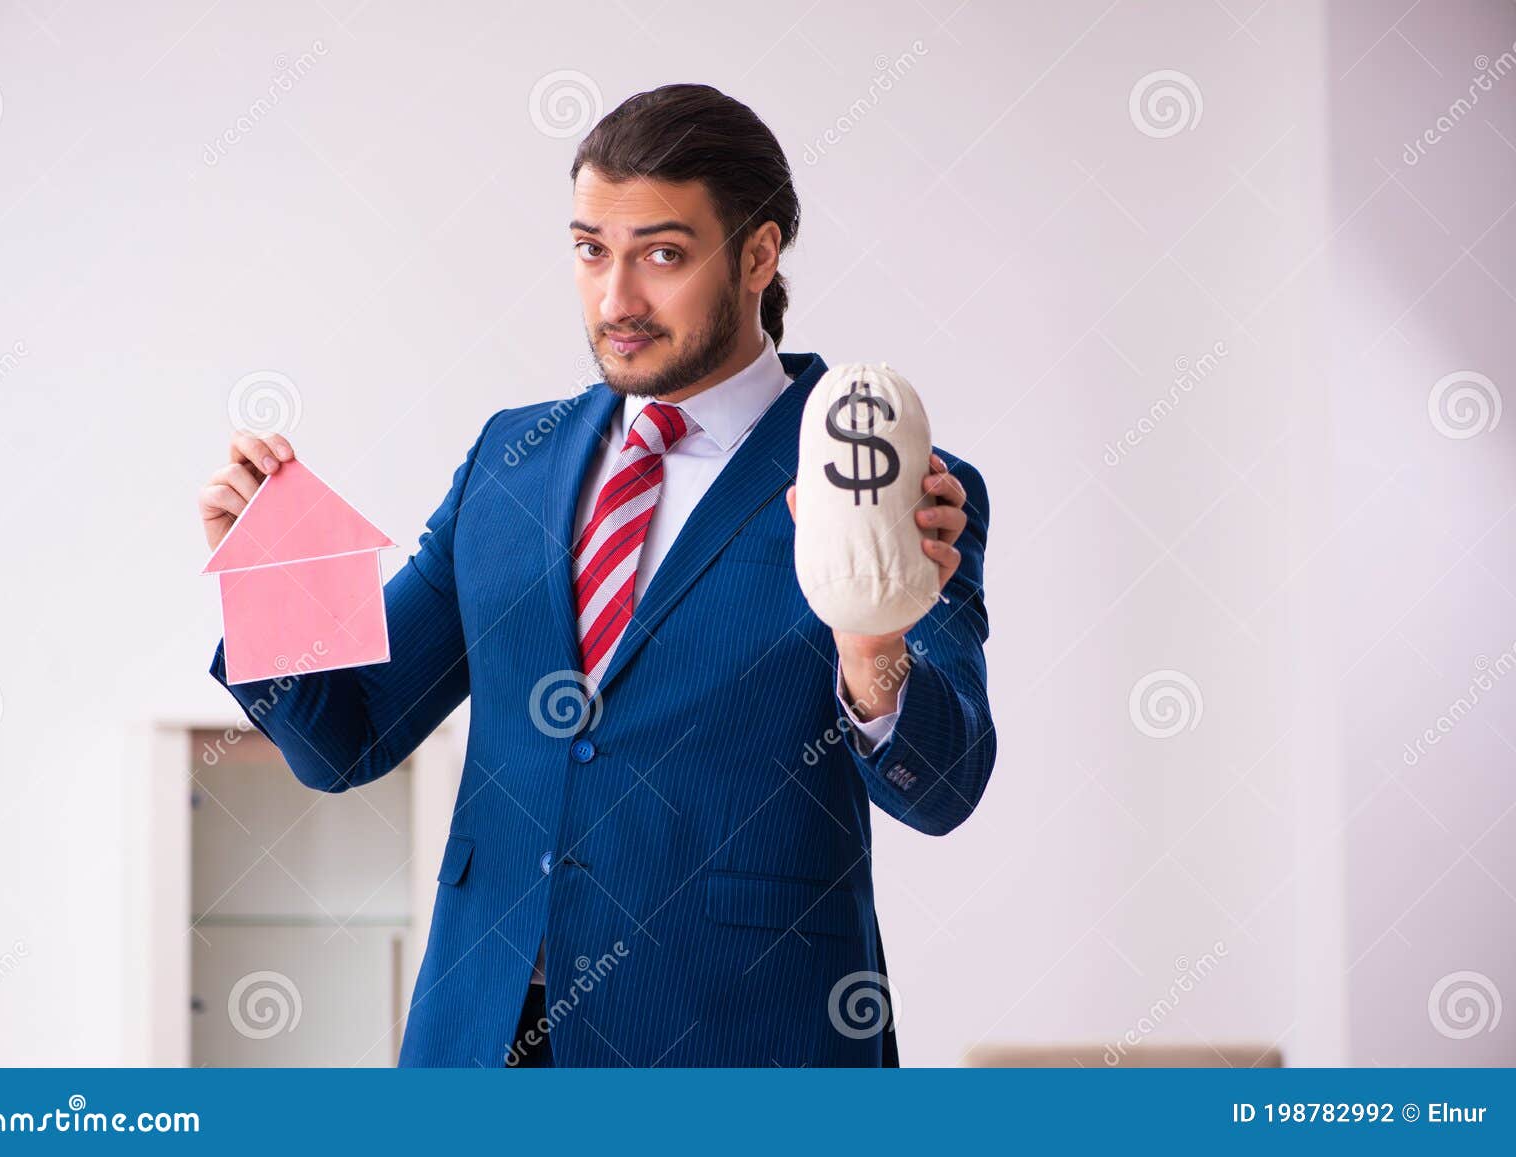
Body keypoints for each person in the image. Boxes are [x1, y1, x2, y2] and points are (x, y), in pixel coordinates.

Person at [198, 83, 996, 1067]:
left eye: (661, 254)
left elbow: (942, 788)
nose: (616, 299)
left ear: (758, 254)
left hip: (744, 1049)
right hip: (484, 1046)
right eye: (590, 251)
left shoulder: (882, 476)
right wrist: (271, 577)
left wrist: (871, 640)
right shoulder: (510, 462)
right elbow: (348, 738)